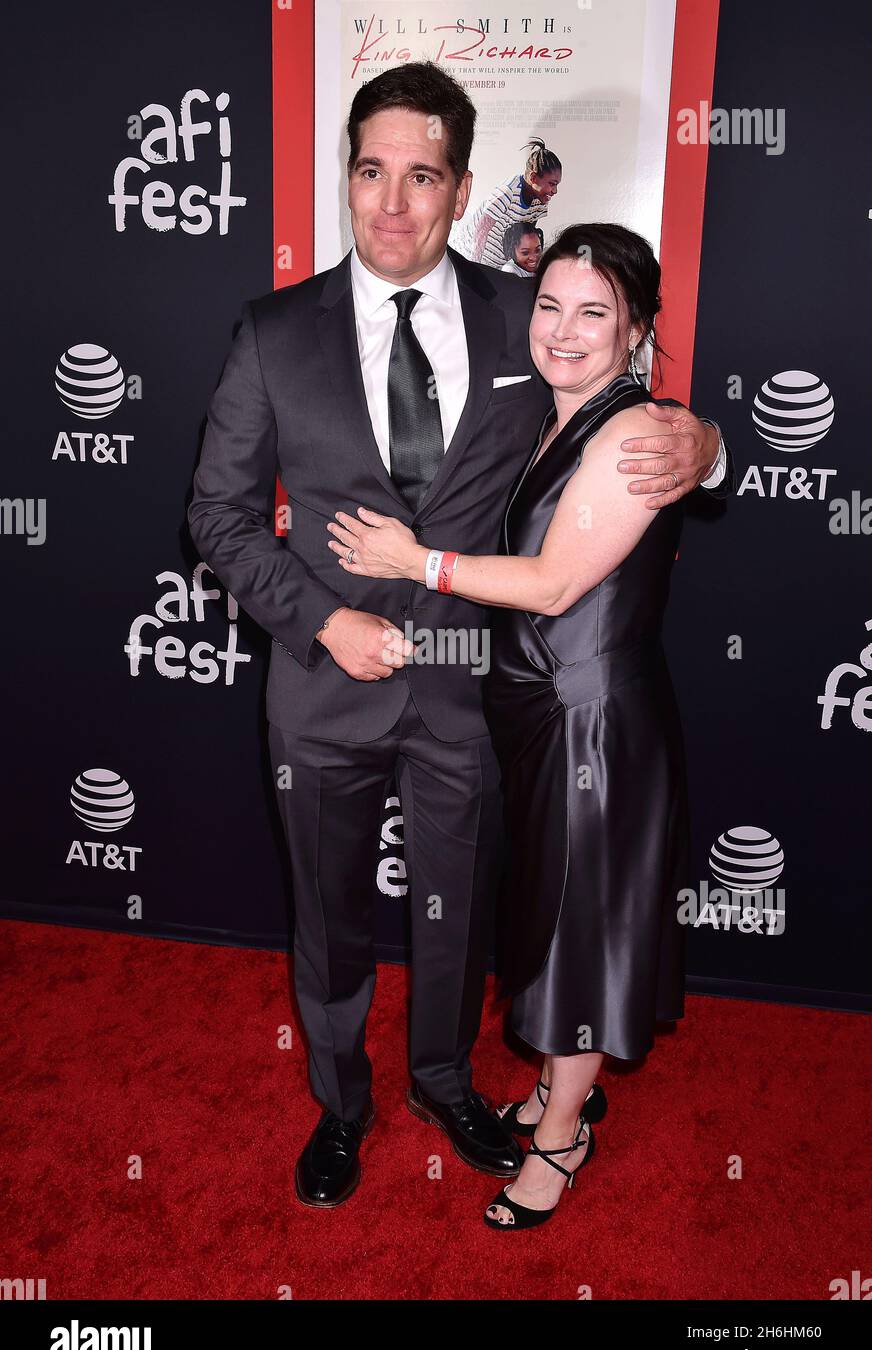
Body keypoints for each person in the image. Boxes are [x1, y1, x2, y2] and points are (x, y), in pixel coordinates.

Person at [188, 60, 730, 1211]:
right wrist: (322, 618)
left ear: (460, 186)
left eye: (421, 176)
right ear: (345, 178)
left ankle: (442, 1079)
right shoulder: (272, 333)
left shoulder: (521, 316)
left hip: (468, 694)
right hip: (320, 690)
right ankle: (341, 1103)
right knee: (328, 920)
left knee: (460, 916)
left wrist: (706, 444)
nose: (392, 203)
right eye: (370, 171)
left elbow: (609, 401)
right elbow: (217, 515)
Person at [326, 222, 717, 1229]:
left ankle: (561, 1138)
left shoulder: (632, 433)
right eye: (550, 305)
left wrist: (413, 562)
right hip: (542, 713)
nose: (563, 329)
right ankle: (554, 1089)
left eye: (594, 312)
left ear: (637, 328)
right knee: (556, 915)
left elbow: (549, 585)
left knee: (581, 933)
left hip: (595, 726)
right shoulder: (553, 413)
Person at [450, 138, 561, 267]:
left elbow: (525, 236)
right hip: (468, 257)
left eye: (557, 185)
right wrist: (474, 269)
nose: (555, 191)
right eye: (552, 184)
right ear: (533, 178)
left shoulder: (540, 202)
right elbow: (481, 232)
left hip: (494, 265)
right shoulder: (507, 193)